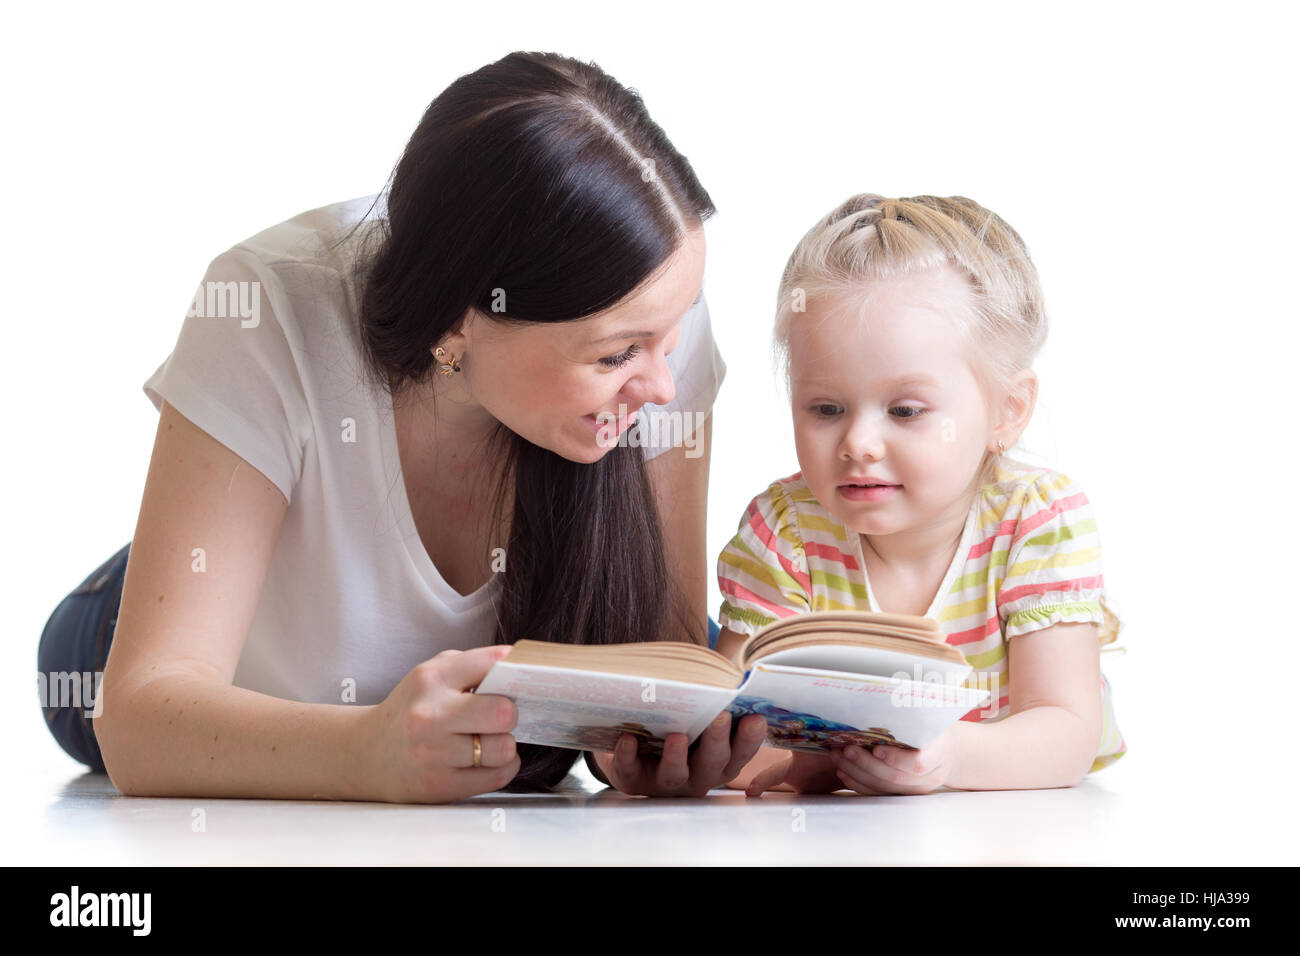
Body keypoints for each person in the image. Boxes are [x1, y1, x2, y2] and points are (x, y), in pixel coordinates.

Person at [36, 50, 768, 803]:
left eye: (673, 337)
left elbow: (663, 645)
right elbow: (139, 718)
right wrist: (361, 752)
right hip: (194, 626)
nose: (665, 386)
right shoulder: (268, 305)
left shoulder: (651, 303)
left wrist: (641, 749)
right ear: (460, 320)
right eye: (616, 354)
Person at [713, 194, 1128, 796]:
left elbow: (1066, 732)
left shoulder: (1035, 520)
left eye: (905, 411)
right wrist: (810, 766)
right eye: (826, 408)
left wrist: (950, 758)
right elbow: (734, 739)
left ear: (1006, 413)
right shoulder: (785, 530)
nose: (858, 443)